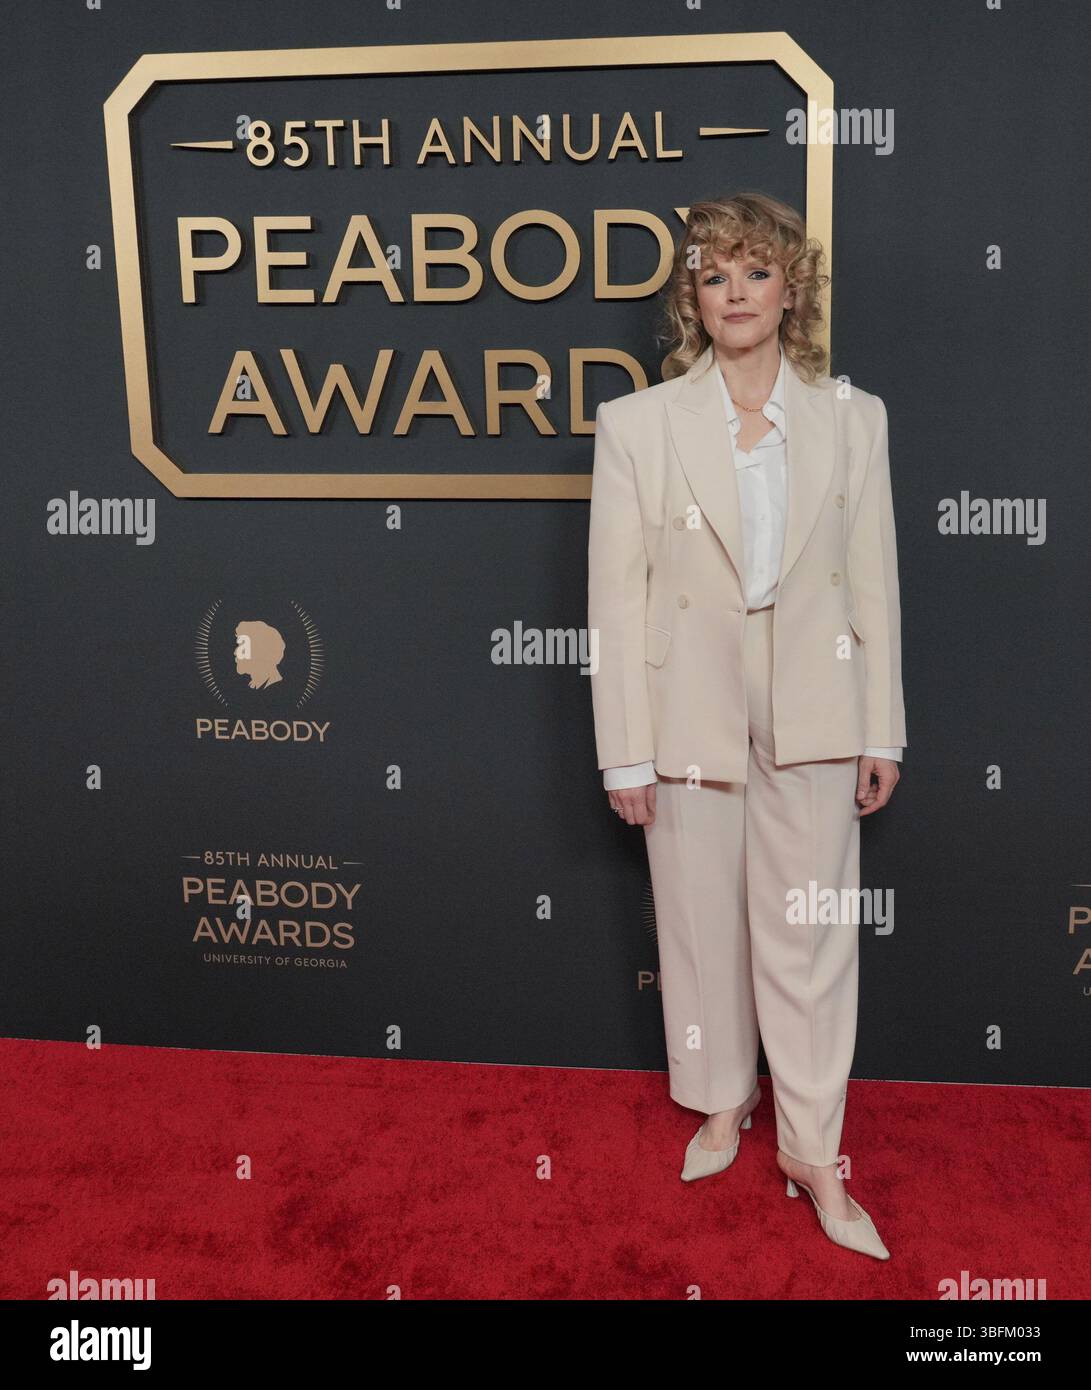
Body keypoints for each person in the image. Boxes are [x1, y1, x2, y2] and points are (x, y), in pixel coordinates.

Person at [586, 191, 906, 1260]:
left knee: (810, 938)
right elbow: (615, 599)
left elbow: (873, 581)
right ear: (693, 297)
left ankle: (812, 1150)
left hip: (817, 701)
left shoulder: (854, 419)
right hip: (687, 703)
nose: (735, 293)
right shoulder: (637, 424)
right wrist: (624, 751)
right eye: (715, 275)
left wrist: (882, 730)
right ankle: (721, 1099)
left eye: (755, 272)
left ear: (789, 290)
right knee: (698, 923)